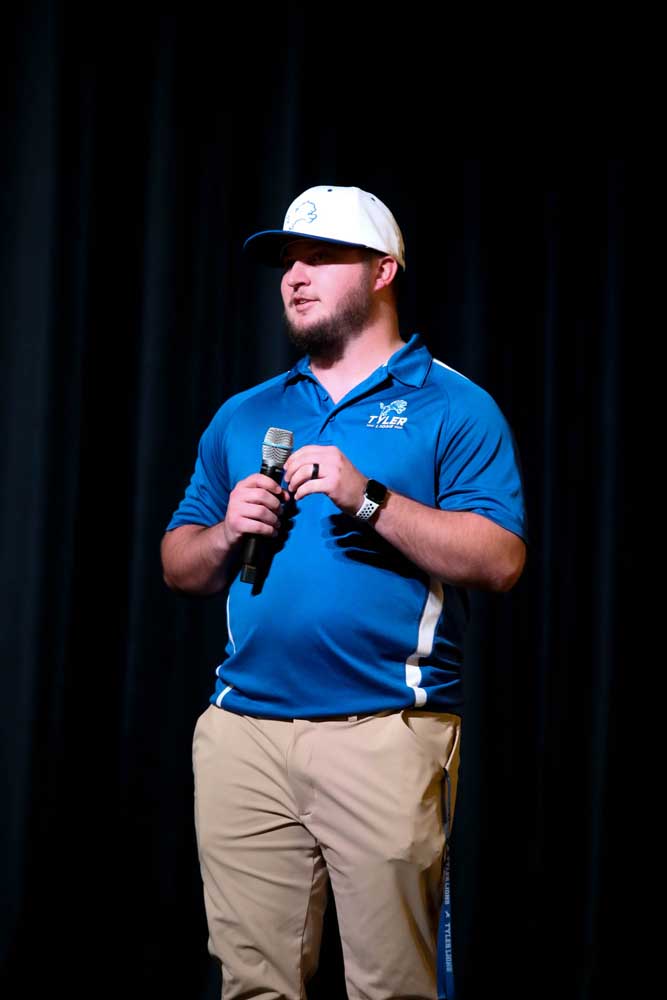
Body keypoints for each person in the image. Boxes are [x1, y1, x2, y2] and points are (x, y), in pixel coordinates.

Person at [160, 184, 527, 1000]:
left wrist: (370, 499)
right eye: (288, 260)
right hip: (242, 735)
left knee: (390, 987)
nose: (296, 274)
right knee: (253, 986)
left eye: (321, 257)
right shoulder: (245, 413)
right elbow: (178, 563)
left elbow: (500, 559)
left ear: (384, 270)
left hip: (383, 731)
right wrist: (224, 532)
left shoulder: (452, 406)